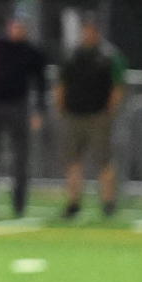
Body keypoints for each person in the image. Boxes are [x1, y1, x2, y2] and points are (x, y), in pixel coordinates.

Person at [55, 13, 124, 219]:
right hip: (74, 114)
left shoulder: (109, 56)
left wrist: (109, 111)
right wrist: (61, 108)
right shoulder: (72, 55)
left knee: (104, 161)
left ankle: (108, 203)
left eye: (91, 29)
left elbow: (117, 86)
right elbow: (61, 84)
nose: (88, 33)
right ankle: (74, 202)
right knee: (73, 160)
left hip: (98, 116)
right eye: (85, 29)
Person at [0, 11, 46, 219]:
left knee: (21, 159)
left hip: (19, 106)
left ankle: (19, 204)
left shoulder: (32, 52)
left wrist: (39, 110)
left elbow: (41, 83)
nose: (17, 29)